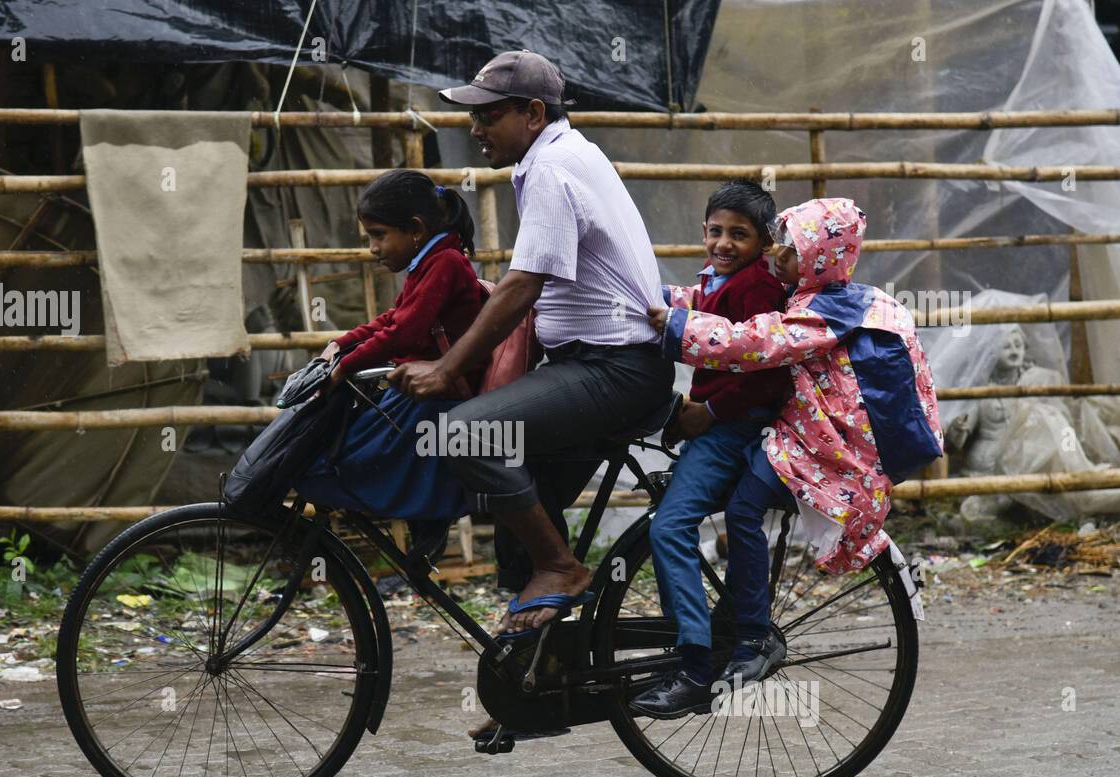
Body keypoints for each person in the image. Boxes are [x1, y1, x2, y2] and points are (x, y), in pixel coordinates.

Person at [392, 49, 676, 639]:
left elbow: (524, 285)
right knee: (521, 515)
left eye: (488, 117)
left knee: (467, 432)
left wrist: (448, 366)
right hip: (605, 364)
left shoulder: (551, 167)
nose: (475, 130)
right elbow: (534, 283)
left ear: (534, 113)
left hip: (613, 368)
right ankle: (531, 670)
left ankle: (560, 568)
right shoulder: (564, 156)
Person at [635, 197, 944, 716]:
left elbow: (760, 341)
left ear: (821, 259)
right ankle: (731, 628)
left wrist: (676, 327)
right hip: (805, 435)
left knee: (742, 510)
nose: (780, 254)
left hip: (828, 451)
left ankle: (752, 638)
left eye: (793, 248)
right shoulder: (807, 291)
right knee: (733, 509)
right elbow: (716, 301)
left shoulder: (829, 307)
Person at [628, 180, 790, 719]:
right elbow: (699, 315)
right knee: (678, 520)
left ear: (765, 243)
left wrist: (710, 413)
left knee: (670, 528)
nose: (723, 243)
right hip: (721, 422)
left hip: (732, 429)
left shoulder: (755, 287)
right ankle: (706, 636)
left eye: (739, 235)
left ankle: (694, 663)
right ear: (703, 232)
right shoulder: (720, 279)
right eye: (716, 231)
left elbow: (766, 375)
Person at [294, 169, 485, 549]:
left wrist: (345, 367)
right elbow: (393, 319)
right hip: (417, 389)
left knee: (355, 457)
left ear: (415, 229)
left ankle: (427, 523)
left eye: (379, 235)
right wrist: (341, 344)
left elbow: (404, 332)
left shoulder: (445, 263)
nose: (373, 248)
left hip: (437, 395)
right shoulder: (429, 260)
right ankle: (423, 527)